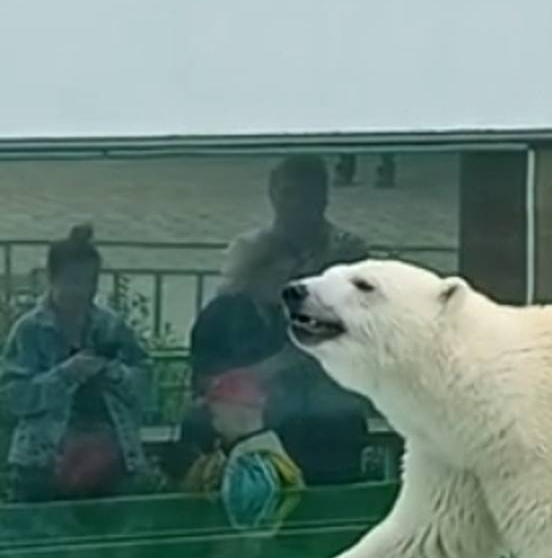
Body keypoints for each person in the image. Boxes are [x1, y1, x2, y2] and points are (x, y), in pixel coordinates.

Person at [187, 228, 371, 486]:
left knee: (338, 423)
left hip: (294, 423)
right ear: (252, 273)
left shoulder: (286, 316)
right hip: (238, 425)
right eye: (277, 276)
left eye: (291, 277)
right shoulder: (223, 315)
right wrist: (276, 366)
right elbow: (211, 379)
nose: (285, 285)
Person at [0, 224, 153, 501]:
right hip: (43, 459)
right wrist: (65, 375)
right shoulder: (30, 330)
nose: (82, 291)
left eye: (90, 282)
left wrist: (113, 373)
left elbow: (144, 386)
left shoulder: (111, 326)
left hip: (112, 454)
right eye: (73, 281)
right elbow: (13, 398)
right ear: (52, 278)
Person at [181, 366, 304, 532]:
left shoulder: (255, 467)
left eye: (217, 402)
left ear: (240, 410)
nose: (209, 411)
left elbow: (239, 528)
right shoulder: (233, 455)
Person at [223, 153, 368, 291]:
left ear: (323, 198)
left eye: (307, 194)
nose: (296, 203)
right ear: (272, 194)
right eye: (288, 193)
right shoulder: (249, 250)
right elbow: (229, 305)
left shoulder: (348, 251)